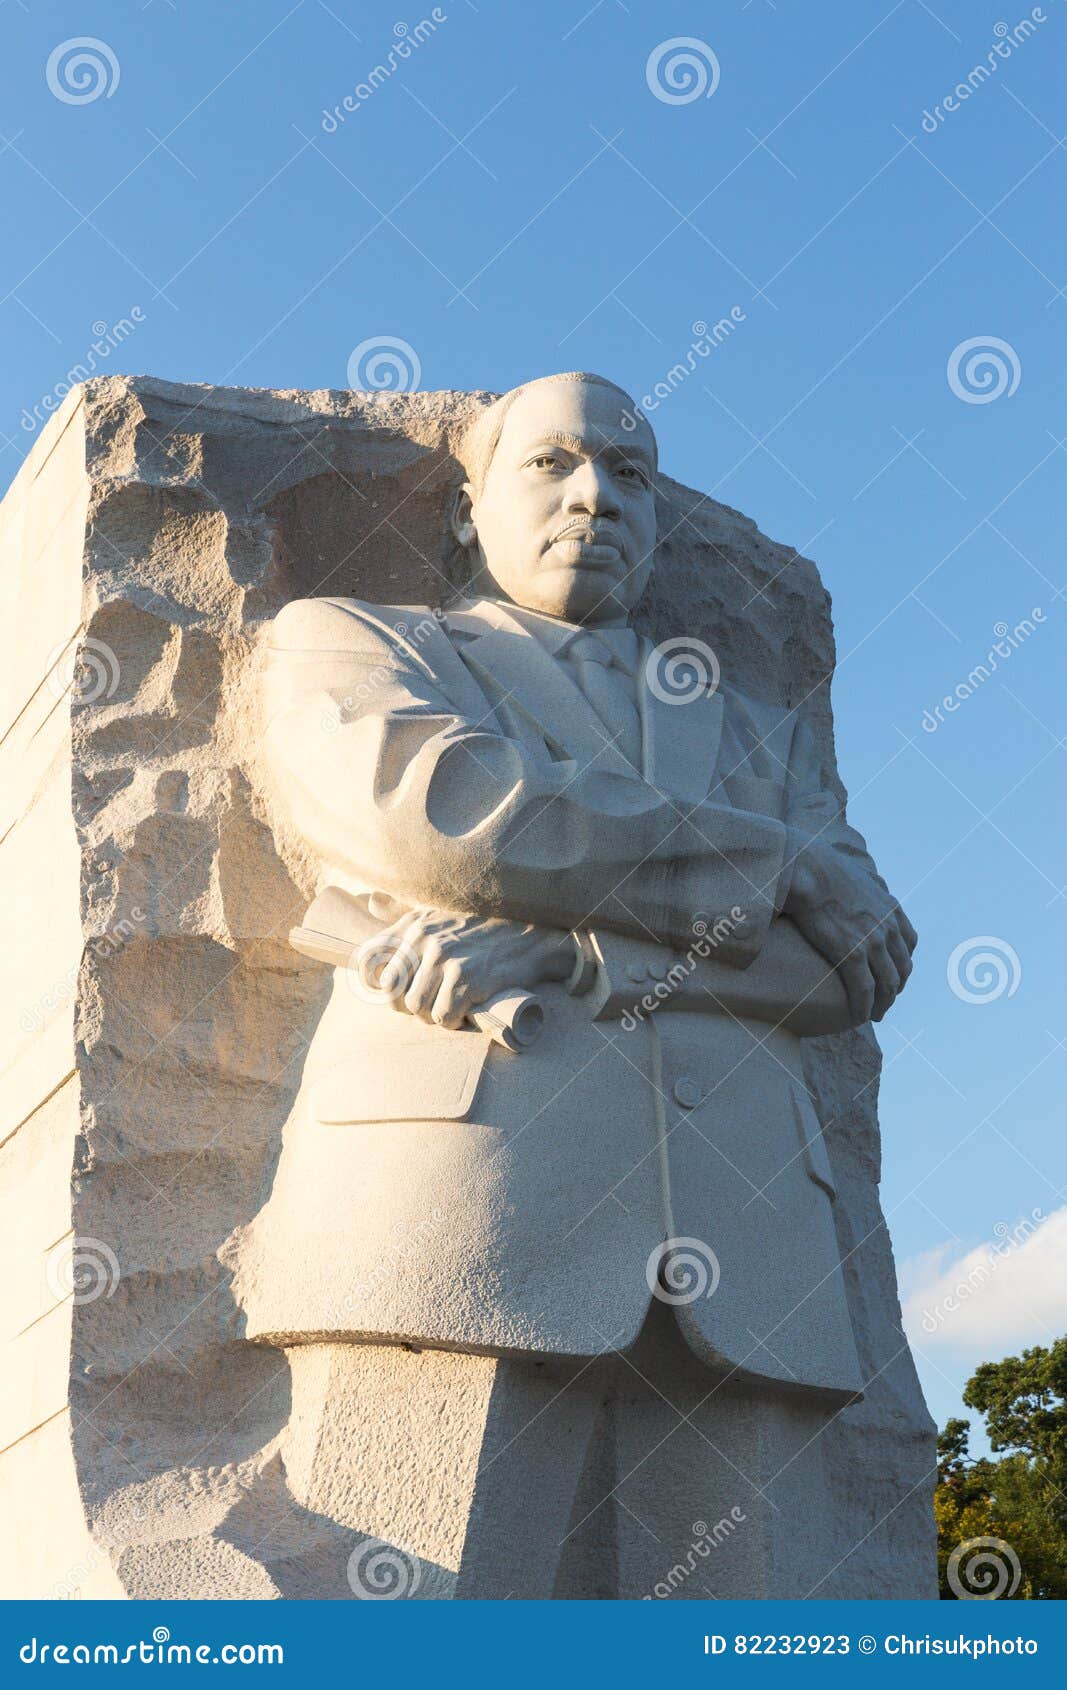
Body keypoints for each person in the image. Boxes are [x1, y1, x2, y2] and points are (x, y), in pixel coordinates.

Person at [231, 371, 916, 1599]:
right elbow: (454, 820)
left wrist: (566, 953)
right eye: (549, 464)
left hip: (750, 1245)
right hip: (459, 1214)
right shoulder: (358, 643)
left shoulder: (763, 731)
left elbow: (843, 967)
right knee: (402, 1632)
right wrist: (776, 860)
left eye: (631, 474)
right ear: (466, 512)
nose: (596, 496)